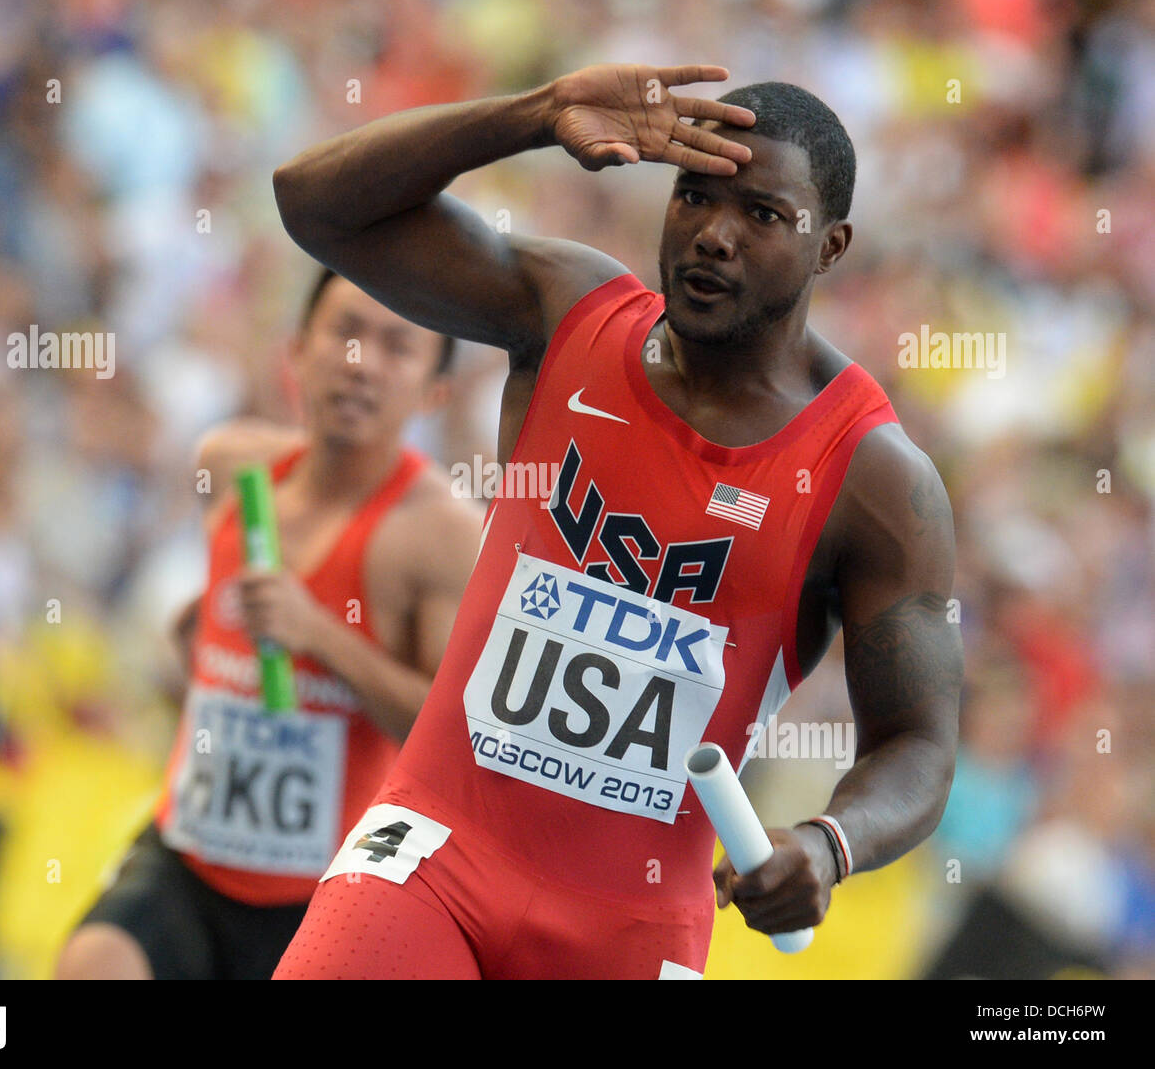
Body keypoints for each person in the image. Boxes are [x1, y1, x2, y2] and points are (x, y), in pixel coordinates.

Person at [268, 63, 964, 980]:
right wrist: (535, 113)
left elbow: (919, 744)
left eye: (761, 216)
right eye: (693, 196)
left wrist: (832, 844)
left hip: (632, 935)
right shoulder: (564, 314)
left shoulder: (872, 480)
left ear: (830, 246)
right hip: (433, 853)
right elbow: (315, 204)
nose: (713, 235)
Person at [55, 268, 484, 979]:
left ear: (434, 390)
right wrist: (205, 643)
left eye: (396, 346)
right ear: (298, 350)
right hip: (190, 849)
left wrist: (320, 634)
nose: (361, 363)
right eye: (345, 332)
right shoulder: (228, 467)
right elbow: (221, 632)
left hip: (322, 898)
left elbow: (448, 738)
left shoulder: (440, 534)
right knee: (94, 962)